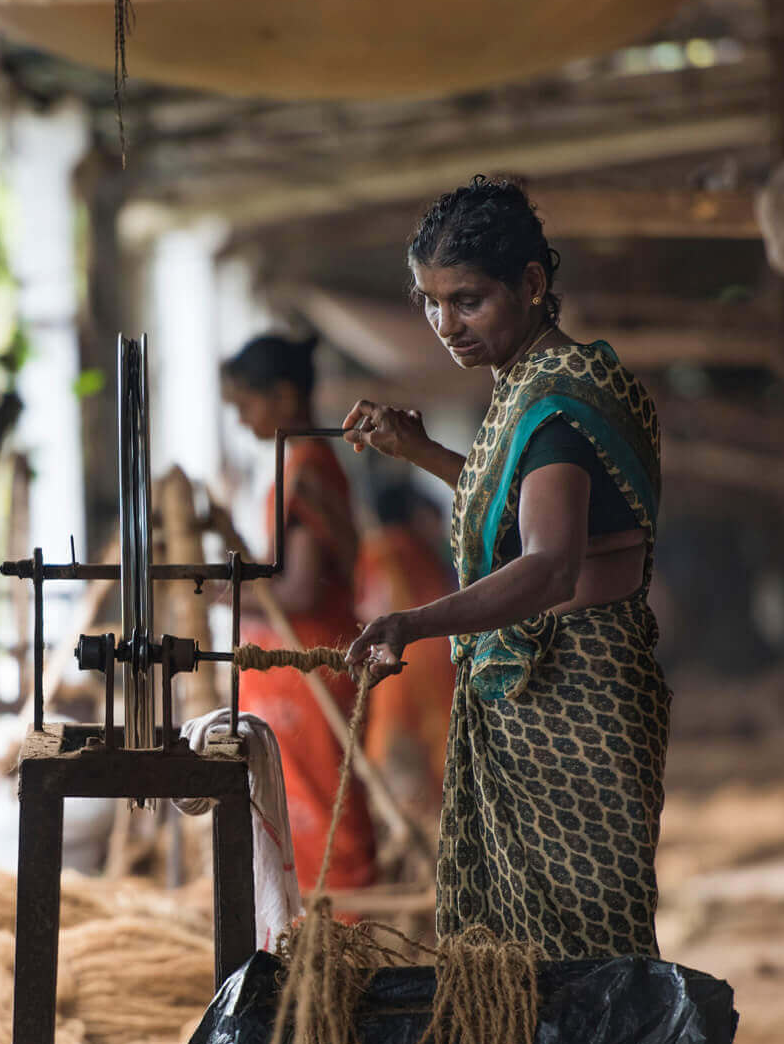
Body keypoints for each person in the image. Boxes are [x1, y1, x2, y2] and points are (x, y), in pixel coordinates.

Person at [341, 176, 666, 958]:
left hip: (571, 694)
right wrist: (417, 451)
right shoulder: (541, 387)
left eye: (467, 301)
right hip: (554, 684)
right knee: (543, 952)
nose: (444, 324)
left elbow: (551, 566)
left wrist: (412, 622)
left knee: (577, 952)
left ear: (530, 284)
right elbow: (525, 514)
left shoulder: (554, 407)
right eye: (429, 302)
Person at [220, 333, 379, 893]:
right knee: (317, 807)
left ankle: (342, 938)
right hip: (319, 661)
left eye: (247, 404)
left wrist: (225, 588)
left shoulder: (306, 470)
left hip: (307, 666)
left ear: (285, 398)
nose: (241, 420)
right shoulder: (311, 463)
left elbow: (301, 590)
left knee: (320, 816)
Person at [355, 482, 460, 831]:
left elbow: (370, 609)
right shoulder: (422, 551)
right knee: (441, 762)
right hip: (441, 663)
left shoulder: (380, 552)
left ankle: (418, 846)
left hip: (401, 673)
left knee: (405, 775)